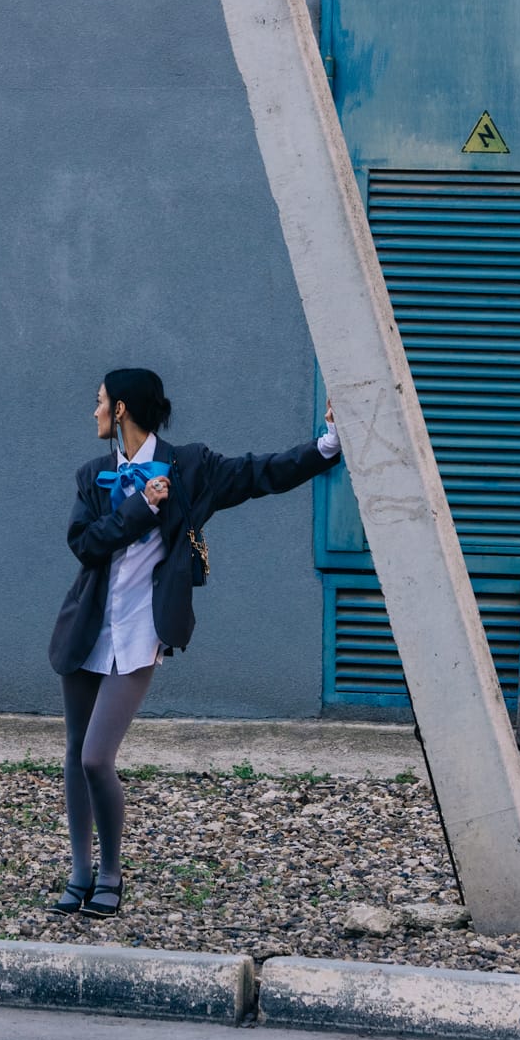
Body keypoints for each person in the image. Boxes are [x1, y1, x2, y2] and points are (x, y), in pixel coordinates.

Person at [47, 365, 341, 917]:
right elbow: (86, 546)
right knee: (73, 753)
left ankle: (111, 872)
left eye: (99, 401)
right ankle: (80, 872)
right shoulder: (93, 474)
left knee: (95, 758)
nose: (94, 411)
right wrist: (140, 508)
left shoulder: (191, 467)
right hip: (87, 627)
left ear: (123, 410)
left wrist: (328, 445)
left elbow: (261, 474)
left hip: (140, 632)